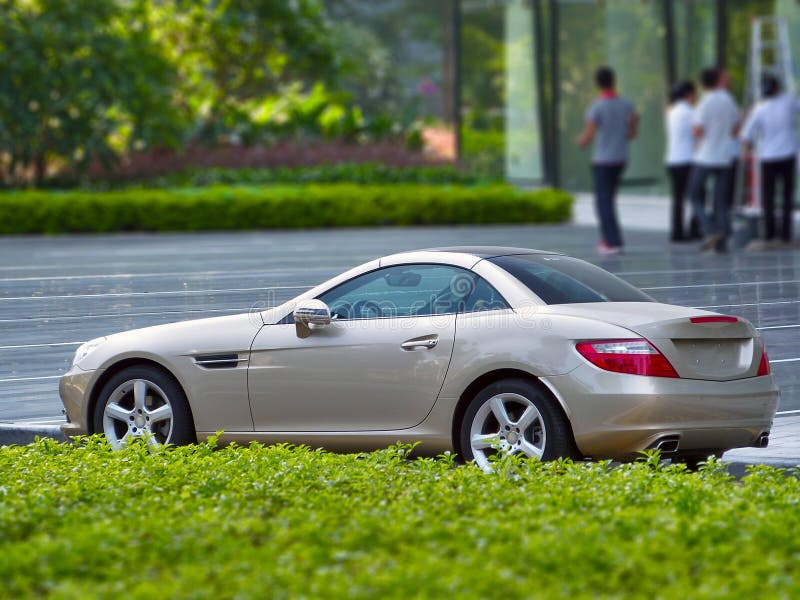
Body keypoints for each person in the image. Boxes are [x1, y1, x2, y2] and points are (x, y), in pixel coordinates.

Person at [577, 66, 639, 256]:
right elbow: (634, 122)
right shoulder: (626, 104)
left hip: (603, 159)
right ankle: (612, 239)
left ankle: (612, 241)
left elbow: (588, 135)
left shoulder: (597, 106)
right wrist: (629, 132)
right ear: (614, 81)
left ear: (598, 84)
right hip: (620, 159)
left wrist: (582, 141)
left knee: (603, 202)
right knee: (609, 199)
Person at [740, 74, 800, 246]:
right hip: (787, 155)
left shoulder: (760, 108)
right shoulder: (788, 101)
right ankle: (786, 234)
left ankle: (769, 233)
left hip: (768, 157)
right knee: (787, 197)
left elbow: (746, 134)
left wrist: (746, 153)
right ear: (777, 87)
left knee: (768, 197)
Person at [689, 67, 740, 253]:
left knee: (695, 195)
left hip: (705, 156)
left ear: (703, 84)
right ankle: (722, 241)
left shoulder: (705, 102)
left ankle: (711, 229)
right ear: (718, 79)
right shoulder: (729, 100)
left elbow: (697, 130)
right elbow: (736, 127)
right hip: (725, 156)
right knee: (720, 200)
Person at [665, 80, 698, 241]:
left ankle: (677, 232)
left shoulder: (671, 111)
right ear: (688, 95)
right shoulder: (689, 112)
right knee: (696, 196)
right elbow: (698, 132)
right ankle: (694, 229)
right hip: (687, 158)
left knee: (678, 198)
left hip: (673, 158)